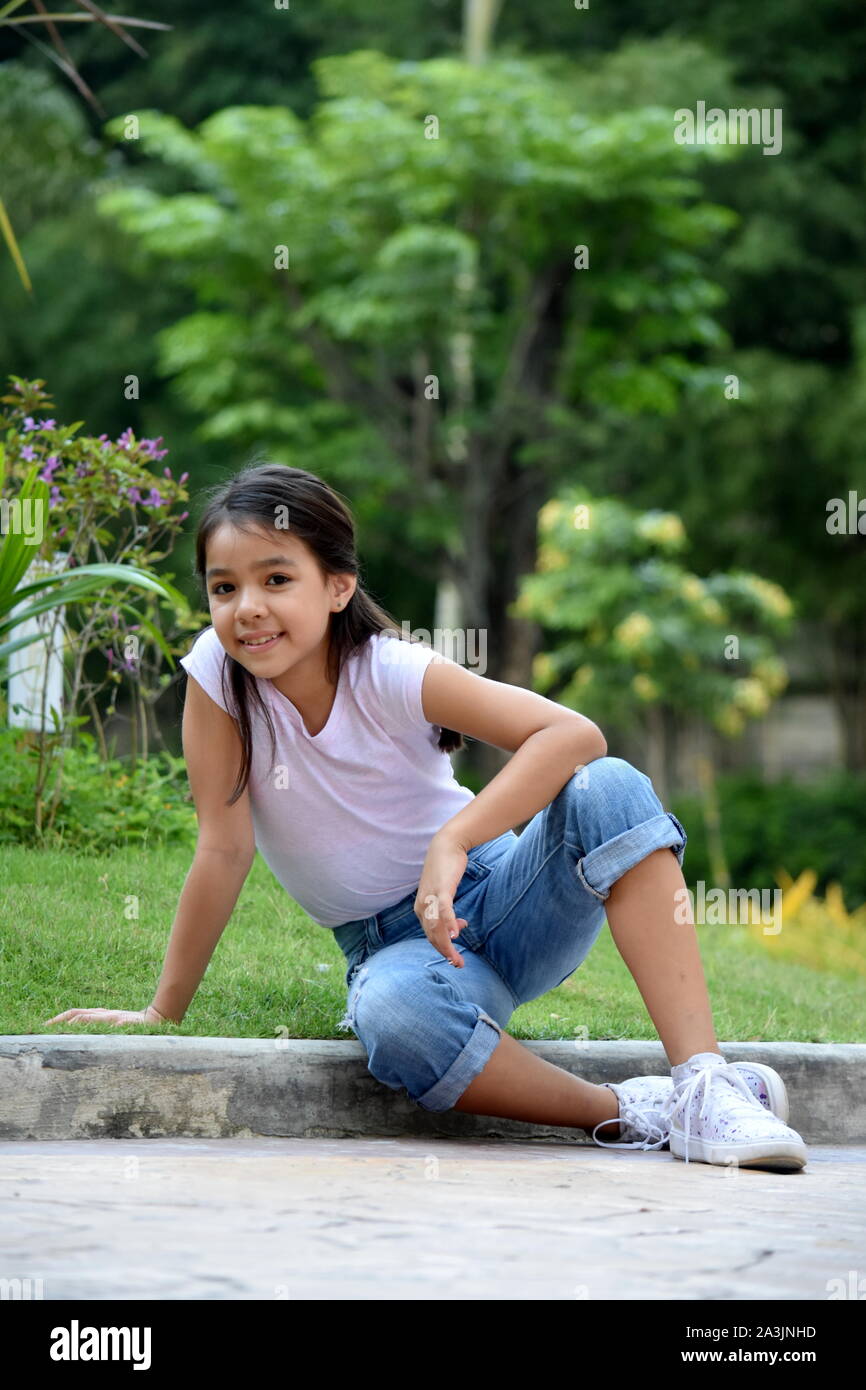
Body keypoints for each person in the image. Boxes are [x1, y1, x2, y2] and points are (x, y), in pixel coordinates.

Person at [45, 462, 808, 1172]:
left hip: (505, 898)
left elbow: (574, 734)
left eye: (277, 578)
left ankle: (704, 1086)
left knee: (607, 784)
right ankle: (632, 1111)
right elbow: (222, 849)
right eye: (223, 588)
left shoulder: (386, 669)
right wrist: (160, 1011)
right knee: (390, 1011)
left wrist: (455, 839)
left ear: (337, 586)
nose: (247, 609)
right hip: (401, 952)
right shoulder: (217, 677)